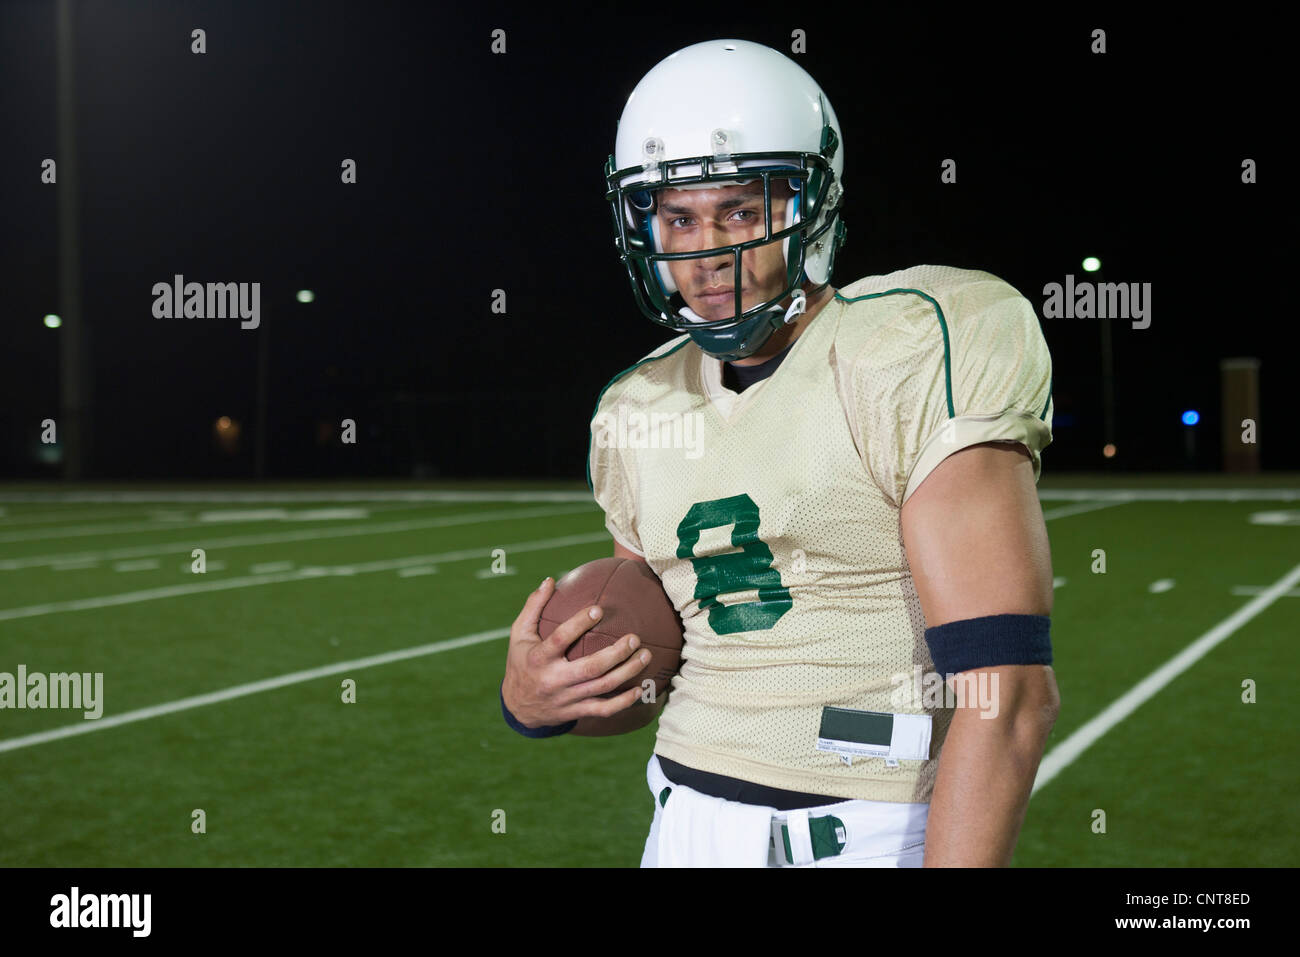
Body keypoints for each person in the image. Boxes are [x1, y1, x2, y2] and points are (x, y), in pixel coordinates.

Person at [501, 38, 1059, 867]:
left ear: (810, 207)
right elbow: (657, 646)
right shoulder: (636, 405)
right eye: (678, 216)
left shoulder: (911, 343)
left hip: (867, 828)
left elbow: (1006, 693)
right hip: (680, 823)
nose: (705, 251)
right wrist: (536, 695)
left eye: (740, 211)